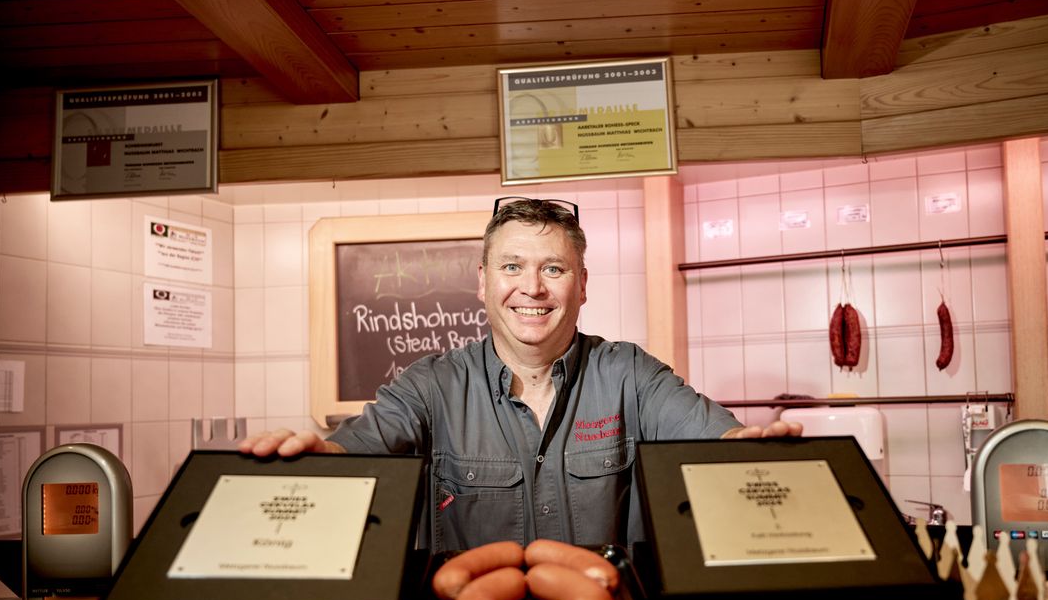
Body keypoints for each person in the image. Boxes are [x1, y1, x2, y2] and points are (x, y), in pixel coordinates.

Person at [240, 196, 801, 552]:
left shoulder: (628, 373)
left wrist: (747, 447)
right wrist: (317, 460)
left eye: (553, 269)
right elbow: (362, 443)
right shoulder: (430, 386)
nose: (532, 288)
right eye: (512, 267)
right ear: (483, 282)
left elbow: (711, 434)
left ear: (581, 285)